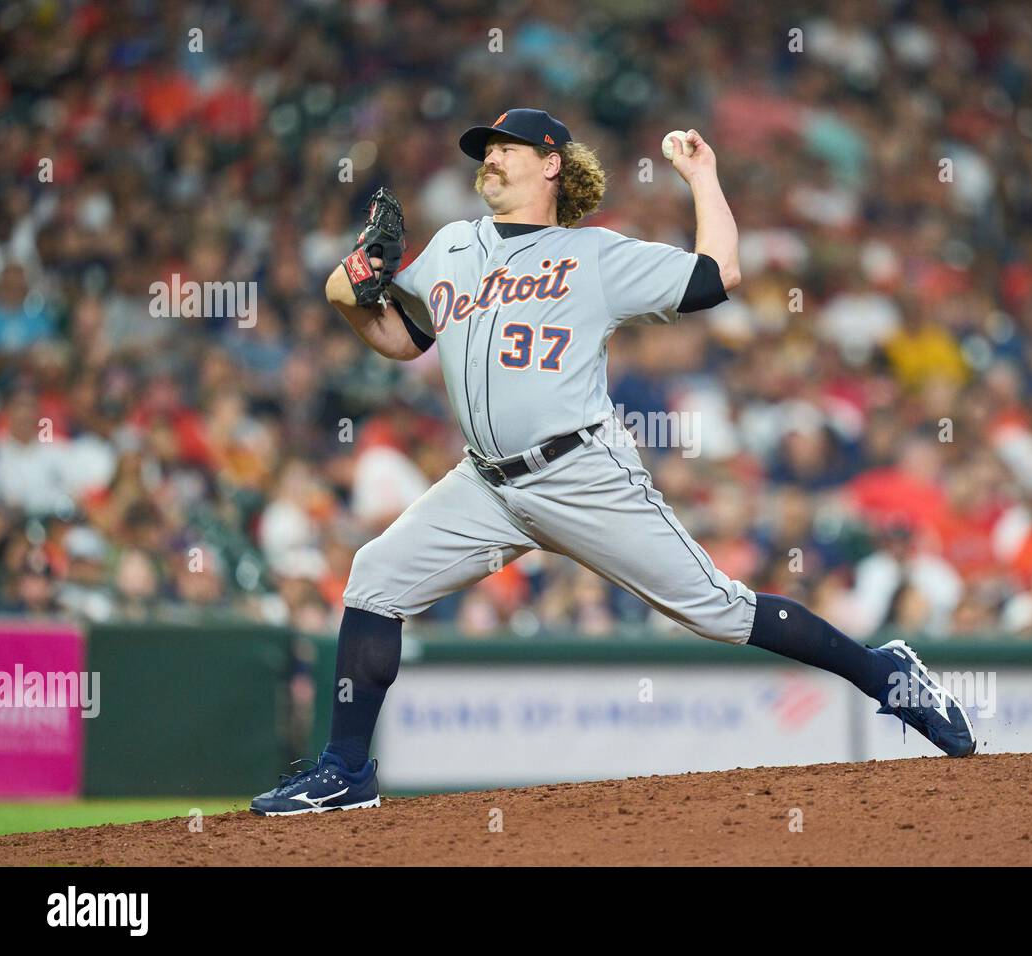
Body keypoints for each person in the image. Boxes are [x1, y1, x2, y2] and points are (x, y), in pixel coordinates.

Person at [250, 108, 974, 816]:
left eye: (505, 147)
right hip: (485, 481)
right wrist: (350, 299)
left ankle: (886, 673)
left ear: (551, 163)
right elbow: (407, 342)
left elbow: (719, 272)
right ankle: (346, 771)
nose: (489, 158)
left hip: (580, 473)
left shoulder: (592, 255)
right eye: (485, 150)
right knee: (377, 578)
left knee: (720, 611)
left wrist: (703, 176)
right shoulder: (450, 247)